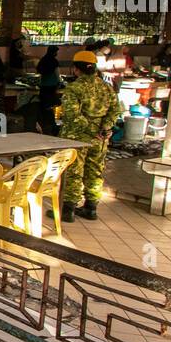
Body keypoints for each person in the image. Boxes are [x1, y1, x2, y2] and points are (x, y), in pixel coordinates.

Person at [59, 50, 122, 222]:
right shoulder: (106, 88)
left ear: (76, 69)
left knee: (73, 171)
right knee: (95, 171)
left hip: (77, 138)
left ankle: (68, 210)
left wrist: (90, 129)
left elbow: (72, 115)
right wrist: (104, 128)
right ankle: (91, 208)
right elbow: (115, 111)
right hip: (100, 139)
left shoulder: (74, 88)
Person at [35, 45, 61, 136]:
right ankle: (50, 125)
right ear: (54, 52)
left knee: (43, 105)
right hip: (52, 85)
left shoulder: (43, 59)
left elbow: (38, 70)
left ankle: (44, 122)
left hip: (43, 85)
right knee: (50, 105)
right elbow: (57, 74)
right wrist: (60, 82)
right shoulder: (54, 61)